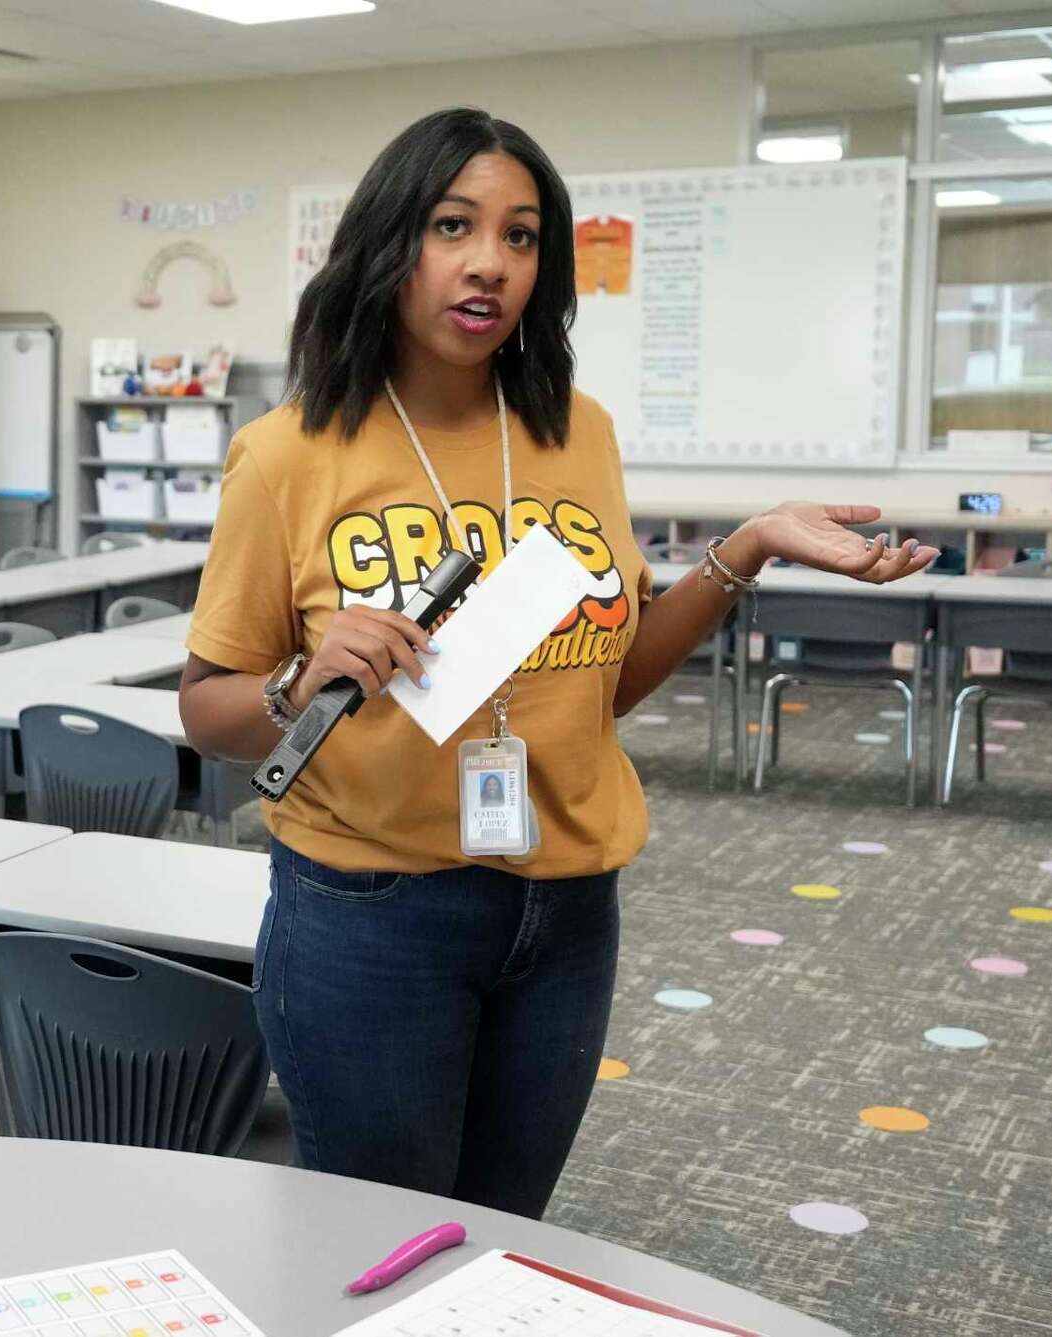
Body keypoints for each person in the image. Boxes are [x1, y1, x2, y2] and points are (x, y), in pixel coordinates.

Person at [178, 107, 936, 1219]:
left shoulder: (574, 430)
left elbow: (611, 681)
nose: (490, 261)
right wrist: (300, 679)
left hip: (568, 906)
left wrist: (749, 545)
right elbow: (208, 709)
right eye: (453, 225)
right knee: (378, 1250)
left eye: (523, 236)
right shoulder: (288, 453)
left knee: (500, 1237)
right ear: (392, 242)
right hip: (373, 911)